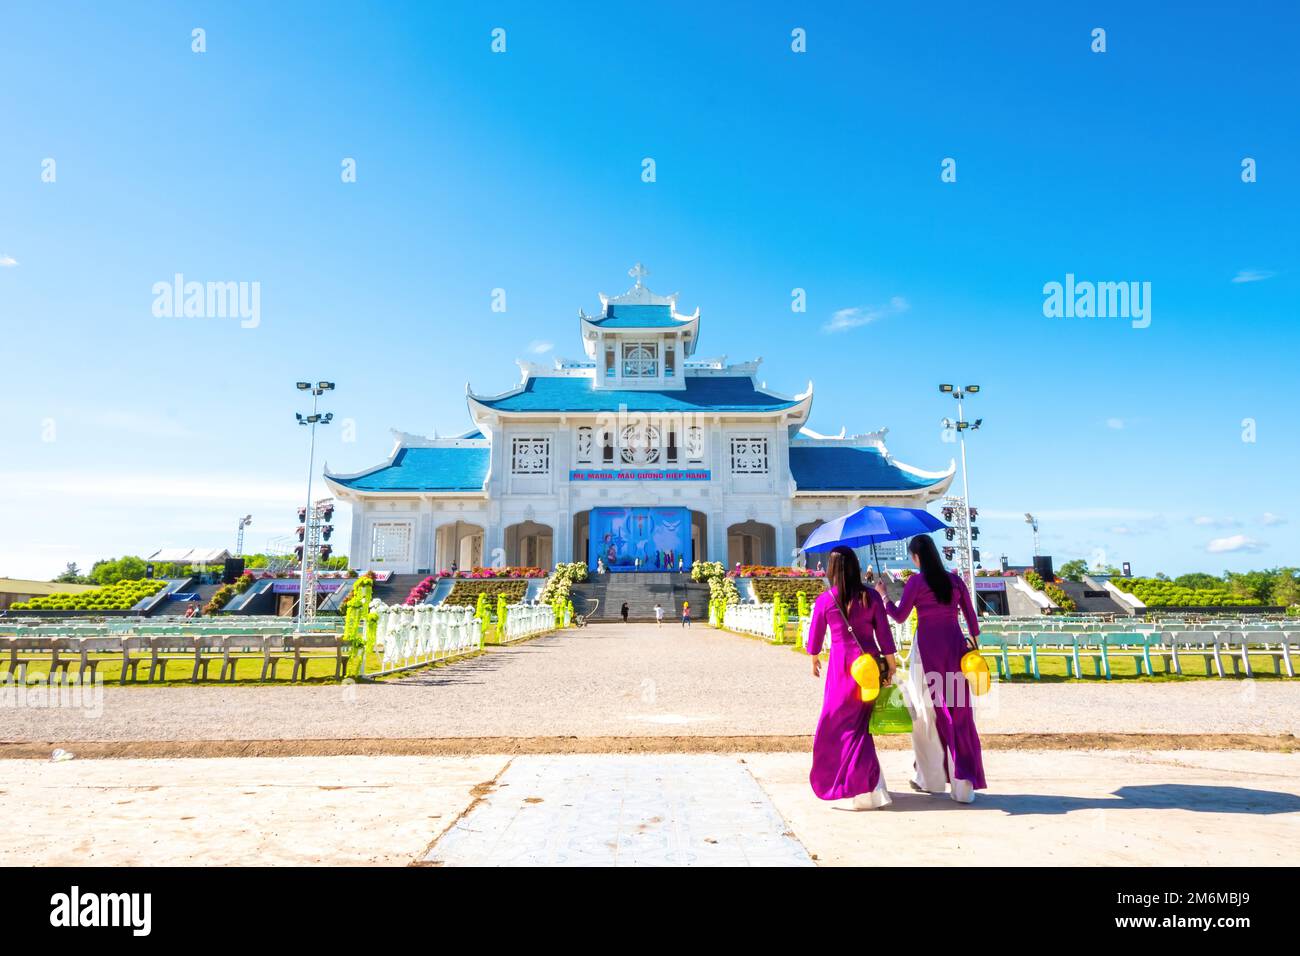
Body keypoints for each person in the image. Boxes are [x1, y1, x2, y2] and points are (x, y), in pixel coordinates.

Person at [875, 535, 986, 804]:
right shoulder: (955, 580)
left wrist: (883, 597)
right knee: (959, 714)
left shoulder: (916, 582)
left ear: (916, 557)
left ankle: (931, 779)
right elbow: (971, 618)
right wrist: (973, 643)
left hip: (926, 651)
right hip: (955, 648)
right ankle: (963, 787)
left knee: (925, 716)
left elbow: (899, 616)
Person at [806, 545, 899, 809]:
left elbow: (814, 639)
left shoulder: (826, 600)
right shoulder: (869, 597)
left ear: (832, 570)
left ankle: (858, 788)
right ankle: (870, 788)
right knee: (860, 727)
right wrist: (890, 665)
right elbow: (884, 635)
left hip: (841, 669)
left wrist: (814, 660)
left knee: (838, 725)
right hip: (869, 666)